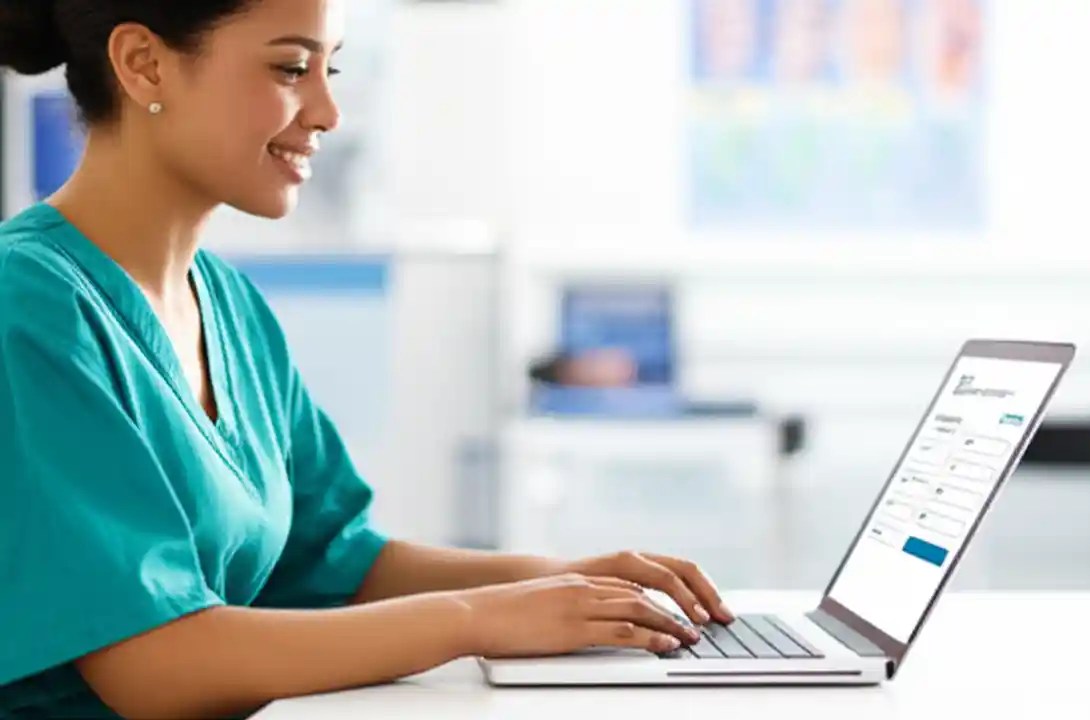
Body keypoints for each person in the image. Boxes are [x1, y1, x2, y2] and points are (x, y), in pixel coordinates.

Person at [0, 1, 730, 718]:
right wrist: (475, 618)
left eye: (332, 69)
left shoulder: (226, 304)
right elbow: (153, 667)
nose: (327, 112)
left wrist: (557, 580)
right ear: (144, 64)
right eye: (291, 68)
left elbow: (337, 565)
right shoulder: (27, 306)